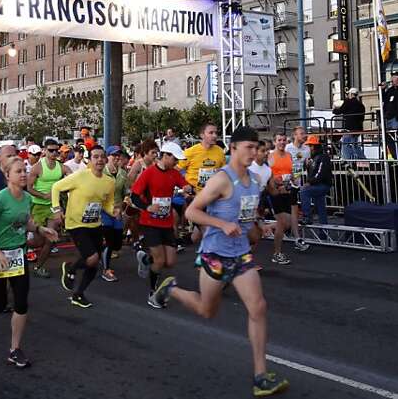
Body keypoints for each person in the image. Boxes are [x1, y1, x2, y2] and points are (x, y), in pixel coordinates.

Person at [149, 126, 289, 397]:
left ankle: (260, 376)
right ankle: (170, 289)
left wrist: (261, 225)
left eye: (257, 148)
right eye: (249, 147)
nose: (254, 152)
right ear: (234, 148)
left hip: (240, 253)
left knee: (258, 307)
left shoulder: (254, 180)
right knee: (206, 311)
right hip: (214, 254)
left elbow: (246, 215)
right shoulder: (221, 179)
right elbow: (192, 211)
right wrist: (221, 224)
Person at [0, 156, 58, 368]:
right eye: (18, 171)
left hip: (18, 255)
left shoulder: (27, 198)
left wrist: (39, 229)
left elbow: (25, 222)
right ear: (7, 176)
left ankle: (15, 349)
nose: (24, 174)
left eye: (25, 171)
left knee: (21, 302)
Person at [52, 146, 116, 308]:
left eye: (102, 157)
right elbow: (56, 187)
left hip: (95, 223)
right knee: (92, 257)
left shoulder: (109, 182)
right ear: (90, 160)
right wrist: (57, 209)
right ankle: (71, 268)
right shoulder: (80, 176)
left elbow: (107, 203)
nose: (100, 160)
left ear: (106, 159)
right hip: (76, 223)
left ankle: (78, 294)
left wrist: (113, 211)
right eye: (96, 157)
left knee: (94, 263)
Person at [131, 141, 187, 305]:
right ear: (165, 155)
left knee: (170, 262)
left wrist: (188, 189)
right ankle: (153, 293)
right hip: (150, 223)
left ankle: (145, 260)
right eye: (175, 158)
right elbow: (135, 196)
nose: (177, 162)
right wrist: (147, 206)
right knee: (160, 261)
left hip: (167, 223)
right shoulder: (148, 173)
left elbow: (183, 184)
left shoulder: (173, 173)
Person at [27, 138, 70, 278]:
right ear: (44, 151)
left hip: (53, 206)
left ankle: (38, 267)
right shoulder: (38, 167)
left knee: (51, 238)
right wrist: (43, 195)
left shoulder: (61, 166)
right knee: (38, 241)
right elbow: (28, 187)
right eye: (50, 150)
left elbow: (73, 176)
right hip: (37, 205)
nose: (54, 153)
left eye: (56, 150)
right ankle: (20, 244)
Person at [266, 133, 308, 260]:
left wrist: (294, 181)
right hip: (274, 192)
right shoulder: (270, 157)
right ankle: (277, 253)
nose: (282, 142)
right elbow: (267, 175)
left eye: (284, 140)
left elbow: (291, 173)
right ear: (275, 142)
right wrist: (276, 183)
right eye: (279, 140)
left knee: (288, 223)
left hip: (287, 191)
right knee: (282, 223)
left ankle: (265, 228)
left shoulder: (289, 155)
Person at [99, 146, 130, 282]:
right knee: (109, 240)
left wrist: (122, 208)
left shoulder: (123, 173)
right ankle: (106, 270)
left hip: (117, 211)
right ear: (107, 157)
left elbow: (127, 193)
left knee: (117, 243)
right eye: (114, 155)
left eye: (119, 155)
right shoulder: (101, 172)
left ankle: (100, 253)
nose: (117, 158)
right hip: (103, 211)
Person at [300, 136, 332, 225]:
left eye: (310, 146)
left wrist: (310, 182)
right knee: (321, 207)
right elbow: (311, 172)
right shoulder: (312, 158)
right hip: (317, 185)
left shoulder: (323, 157)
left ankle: (307, 217)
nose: (309, 148)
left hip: (322, 185)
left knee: (304, 191)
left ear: (314, 146)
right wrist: (306, 165)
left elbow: (320, 174)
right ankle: (323, 233)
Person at [333, 88, 366, 160]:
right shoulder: (361, 105)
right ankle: (362, 159)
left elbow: (339, 111)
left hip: (349, 128)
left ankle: (347, 161)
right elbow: (362, 118)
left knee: (345, 144)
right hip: (358, 128)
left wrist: (334, 110)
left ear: (351, 94)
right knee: (355, 144)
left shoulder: (348, 102)